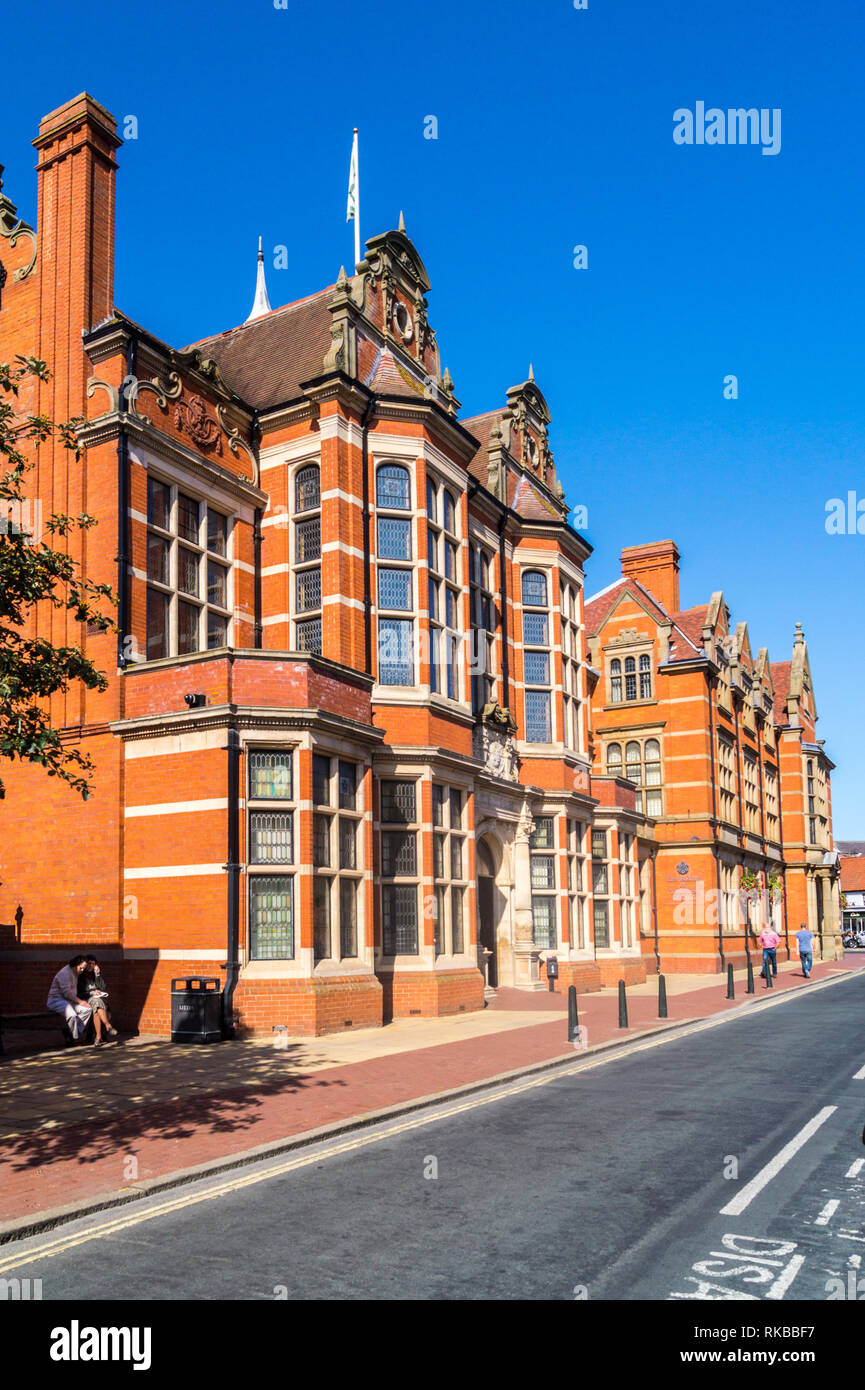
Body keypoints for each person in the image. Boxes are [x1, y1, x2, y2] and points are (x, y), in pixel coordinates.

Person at [46, 955, 92, 1045]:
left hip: (69, 1001)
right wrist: (81, 1002)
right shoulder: (65, 973)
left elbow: (71, 994)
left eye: (84, 968)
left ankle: (72, 1032)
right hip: (56, 1000)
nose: (82, 970)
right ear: (75, 964)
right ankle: (73, 1038)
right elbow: (67, 993)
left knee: (87, 1010)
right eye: (81, 968)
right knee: (72, 1015)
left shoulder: (75, 972)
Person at [78, 956, 118, 1046]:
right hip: (85, 1000)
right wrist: (91, 993)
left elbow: (103, 987)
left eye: (93, 964)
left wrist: (97, 975)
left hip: (97, 1002)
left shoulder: (95, 976)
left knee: (96, 1009)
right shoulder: (80, 977)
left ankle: (98, 1037)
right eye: (89, 963)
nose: (90, 966)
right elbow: (79, 993)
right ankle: (107, 1025)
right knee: (96, 1001)